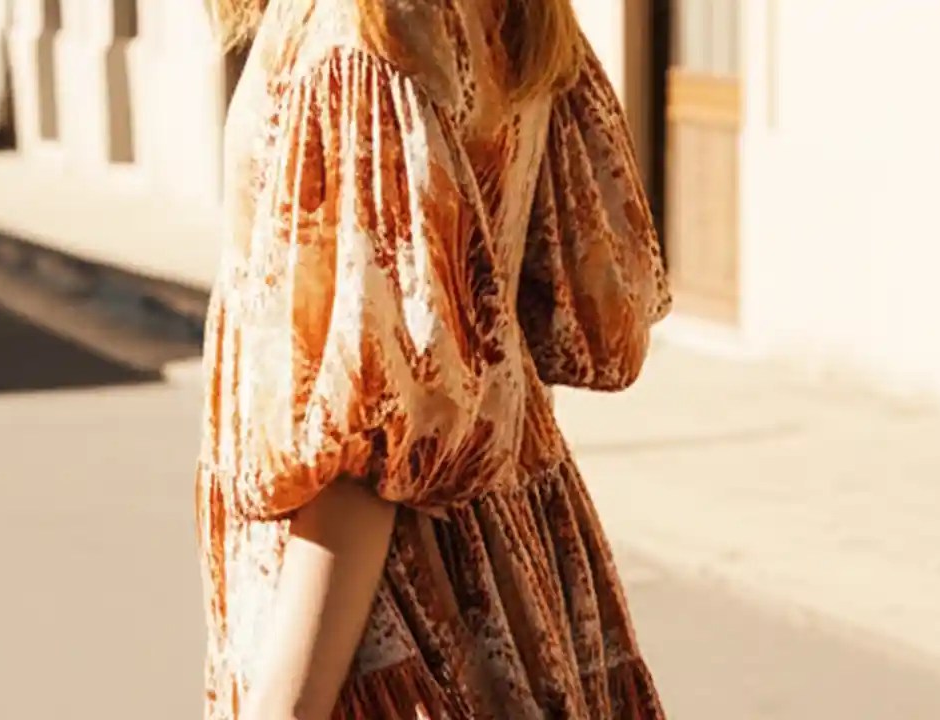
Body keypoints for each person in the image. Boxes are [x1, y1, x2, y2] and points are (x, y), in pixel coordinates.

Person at [195, 0, 671, 717]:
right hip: (498, 574)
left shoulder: (364, 36)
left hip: (377, 618)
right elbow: (510, 332)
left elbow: (369, 442)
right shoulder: (503, 16)